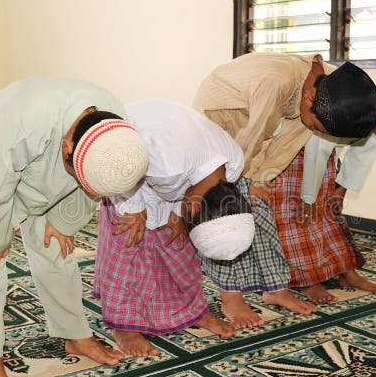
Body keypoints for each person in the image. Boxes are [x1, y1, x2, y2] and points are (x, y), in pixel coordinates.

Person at [193, 52, 376, 326]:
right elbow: (255, 136)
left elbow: (286, 141)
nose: (320, 132)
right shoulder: (280, 85)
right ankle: (231, 296)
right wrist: (241, 183)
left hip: (255, 145)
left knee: (263, 217)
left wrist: (260, 180)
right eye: (320, 128)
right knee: (226, 216)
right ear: (310, 99)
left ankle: (277, 289)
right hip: (222, 121)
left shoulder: (326, 95)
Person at [0, 76, 149, 377]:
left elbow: (96, 183)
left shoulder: (116, 133)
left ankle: (74, 333)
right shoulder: (25, 127)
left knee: (56, 245)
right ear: (67, 146)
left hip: (62, 151)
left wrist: (63, 220)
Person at [92, 100, 254, 356]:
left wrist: (177, 214)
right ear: (193, 208)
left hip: (163, 163)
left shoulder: (234, 164)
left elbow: (184, 190)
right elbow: (119, 166)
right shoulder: (168, 166)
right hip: (121, 152)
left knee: (178, 247)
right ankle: (124, 326)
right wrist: (134, 208)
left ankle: (193, 312)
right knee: (129, 240)